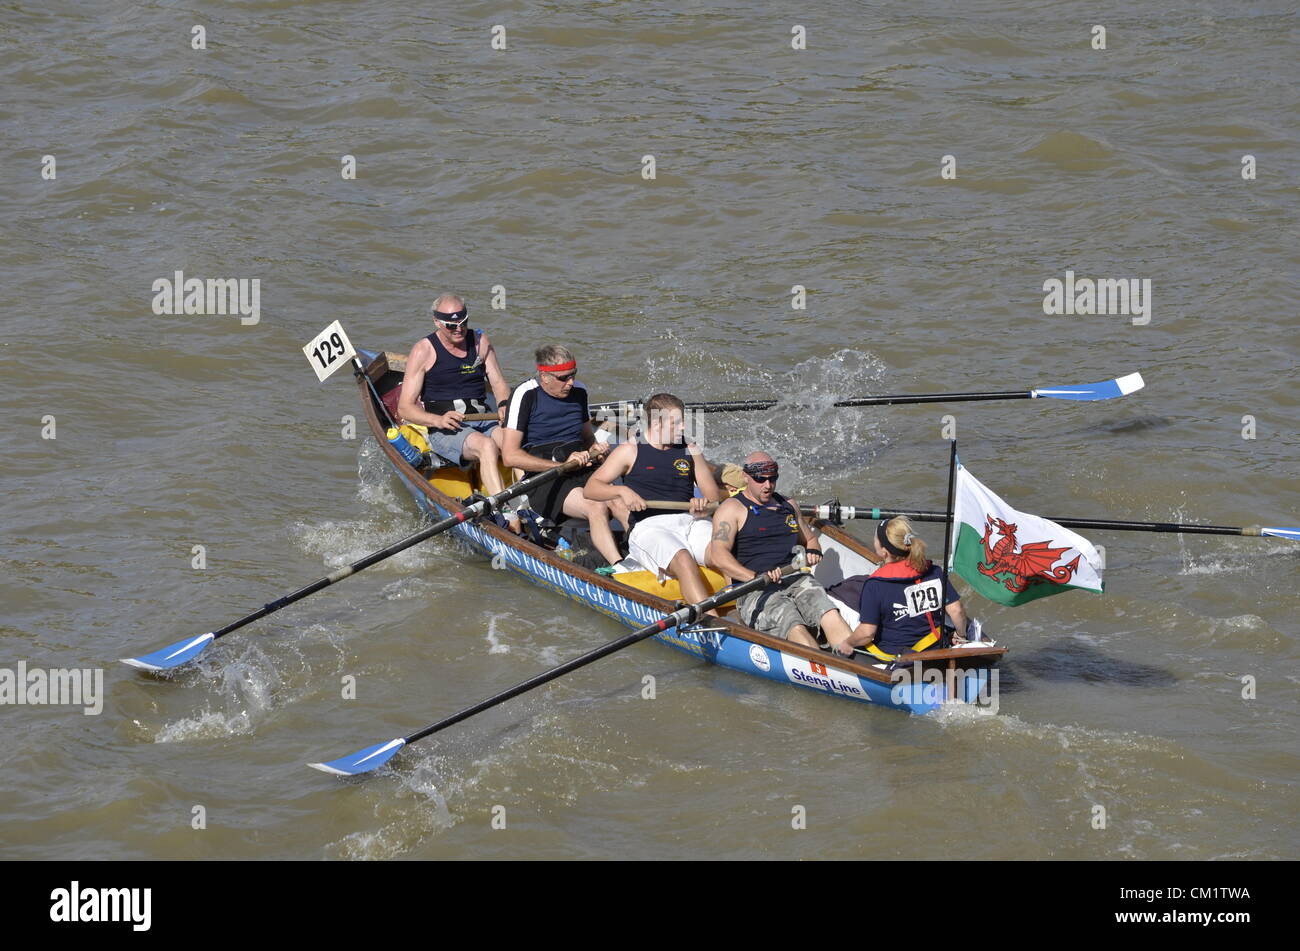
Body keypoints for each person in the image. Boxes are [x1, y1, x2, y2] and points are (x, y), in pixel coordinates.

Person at [584, 393, 726, 604]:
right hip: (649, 527)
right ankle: (710, 624)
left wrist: (705, 507)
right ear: (658, 424)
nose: (683, 428)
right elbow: (591, 489)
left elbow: (714, 498)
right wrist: (622, 492)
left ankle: (747, 611)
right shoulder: (629, 451)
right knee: (684, 561)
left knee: (724, 552)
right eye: (676, 423)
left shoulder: (690, 449)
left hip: (691, 522)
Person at [706, 452, 854, 650]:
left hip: (796, 579)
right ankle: (824, 668)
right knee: (796, 627)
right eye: (760, 479)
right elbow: (718, 555)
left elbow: (810, 539)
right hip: (754, 590)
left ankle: (856, 662)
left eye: (772, 479)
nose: (767, 485)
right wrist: (755, 577)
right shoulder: (731, 509)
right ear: (746, 477)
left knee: (829, 614)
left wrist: (813, 551)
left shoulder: (788, 505)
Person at [500, 345, 626, 567]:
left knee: (620, 499)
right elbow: (510, 456)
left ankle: (647, 555)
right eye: (563, 378)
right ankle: (620, 569)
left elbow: (587, 436)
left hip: (582, 464)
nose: (570, 382)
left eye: (573, 375)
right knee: (596, 506)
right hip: (545, 478)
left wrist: (599, 454)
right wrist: (559, 464)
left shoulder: (579, 391)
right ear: (544, 376)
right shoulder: (525, 394)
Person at [396, 294, 513, 496]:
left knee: (513, 441)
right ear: (436, 322)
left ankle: (532, 506)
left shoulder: (480, 342)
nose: (459, 329)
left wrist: (503, 405)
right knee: (486, 446)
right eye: (451, 325)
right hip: (447, 429)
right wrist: (438, 420)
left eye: (463, 322)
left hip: (484, 419)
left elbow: (499, 383)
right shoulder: (423, 350)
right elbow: (404, 408)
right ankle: (505, 514)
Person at [831, 516, 969, 658]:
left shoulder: (875, 585)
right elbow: (956, 611)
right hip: (937, 648)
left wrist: (848, 643)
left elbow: (867, 633)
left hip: (898, 660)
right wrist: (960, 635)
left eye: (875, 538)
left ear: (884, 552)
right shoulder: (934, 571)